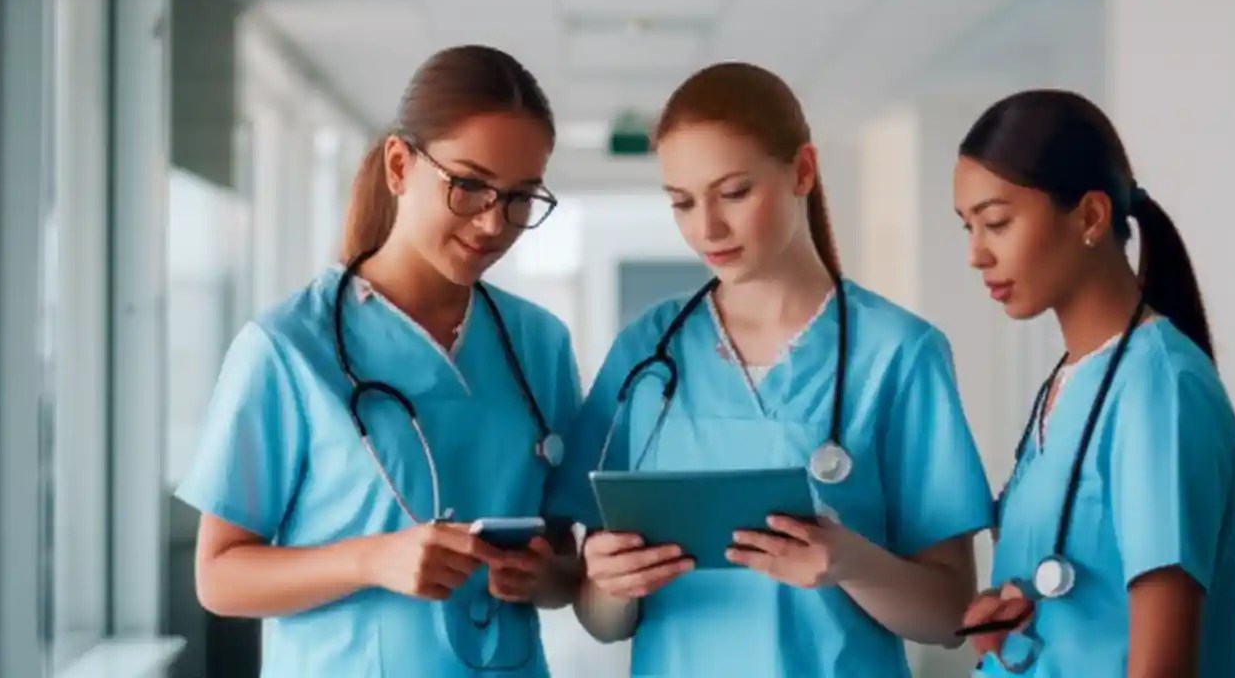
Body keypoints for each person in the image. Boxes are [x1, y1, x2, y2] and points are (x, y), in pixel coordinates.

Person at [559, 62, 995, 677]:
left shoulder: (898, 354)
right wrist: (608, 585)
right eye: (682, 202)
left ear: (804, 172)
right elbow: (601, 622)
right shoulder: (646, 354)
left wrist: (850, 564)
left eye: (734, 193)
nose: (706, 227)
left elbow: (951, 613)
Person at [175, 45, 585, 678]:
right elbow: (219, 577)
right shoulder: (289, 348)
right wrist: (369, 561)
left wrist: (543, 576)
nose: (492, 223)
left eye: (520, 198)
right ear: (400, 164)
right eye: (469, 185)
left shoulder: (540, 345)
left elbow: (565, 569)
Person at [952, 89, 1235, 677]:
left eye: (996, 223)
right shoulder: (1066, 386)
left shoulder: (1158, 390)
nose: (976, 255)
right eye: (967, 227)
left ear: (1091, 216)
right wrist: (1006, 630)